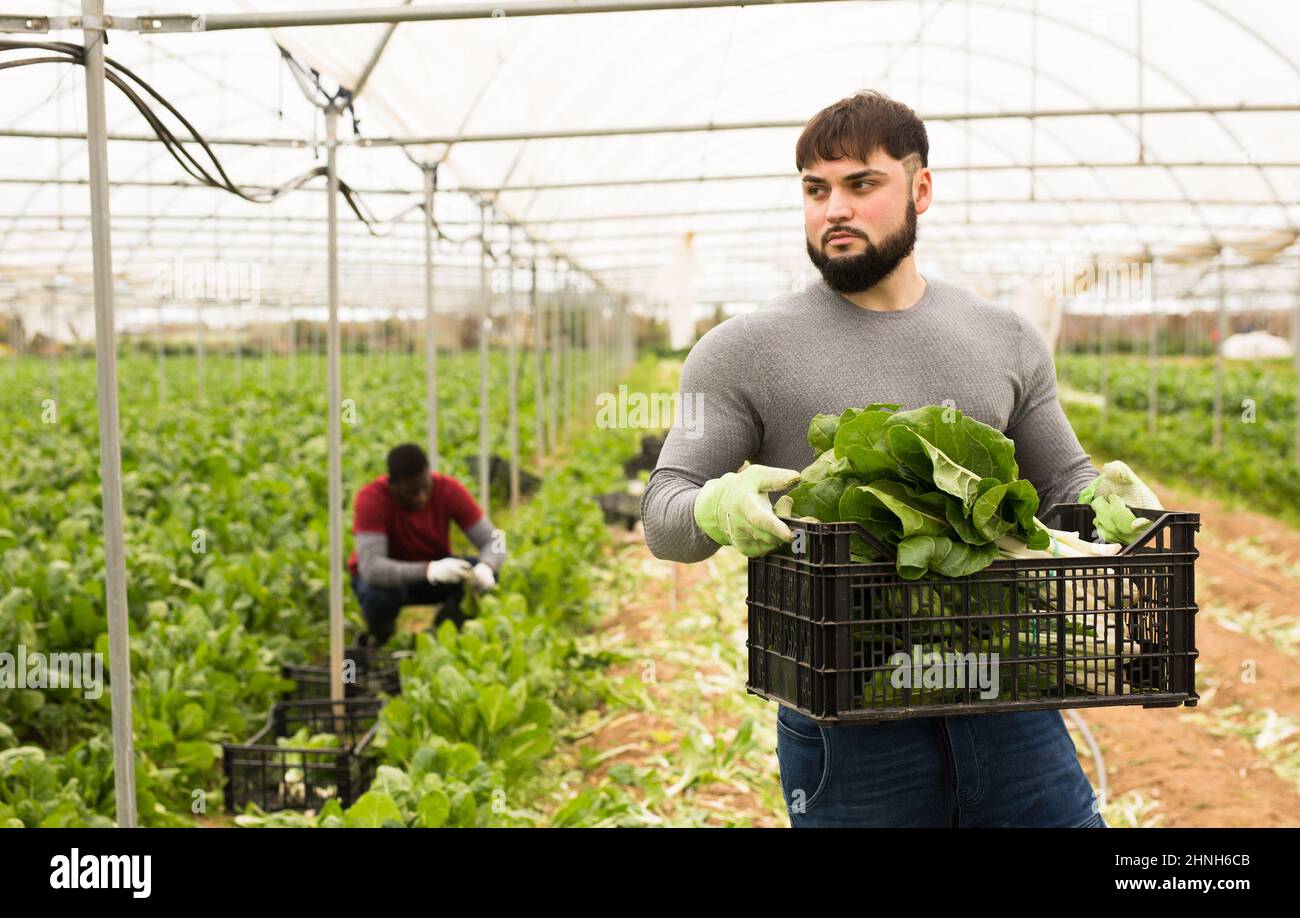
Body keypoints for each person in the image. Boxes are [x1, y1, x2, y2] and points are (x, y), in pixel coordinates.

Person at [641, 90, 1158, 828]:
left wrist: (1111, 499)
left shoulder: (1004, 337)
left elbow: (1062, 482)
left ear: (920, 189)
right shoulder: (738, 352)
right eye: (816, 190)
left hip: (1009, 698)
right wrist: (718, 506)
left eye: (861, 184)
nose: (834, 210)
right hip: (848, 726)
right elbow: (664, 514)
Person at [348, 443, 505, 646]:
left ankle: (444, 634)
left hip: (433, 571)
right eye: (411, 492)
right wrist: (429, 570)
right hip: (390, 579)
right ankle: (381, 637)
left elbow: (495, 539)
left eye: (425, 487)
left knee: (481, 577)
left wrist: (487, 567)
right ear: (392, 485)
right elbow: (372, 568)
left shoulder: (448, 489)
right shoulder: (371, 499)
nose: (421, 496)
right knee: (381, 597)